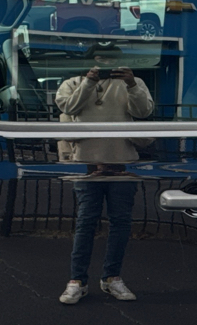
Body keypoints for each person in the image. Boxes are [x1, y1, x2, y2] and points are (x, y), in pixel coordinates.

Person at [54, 61, 154, 304]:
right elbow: (68, 106)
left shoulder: (132, 83)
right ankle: (77, 280)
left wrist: (130, 83)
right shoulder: (72, 83)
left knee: (120, 222)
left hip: (122, 163)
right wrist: (89, 81)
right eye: (97, 62)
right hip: (87, 164)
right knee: (86, 222)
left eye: (111, 62)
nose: (105, 67)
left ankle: (111, 277)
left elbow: (144, 112)